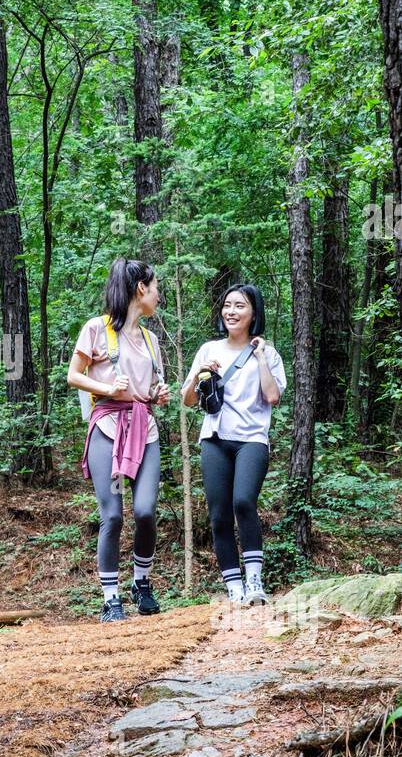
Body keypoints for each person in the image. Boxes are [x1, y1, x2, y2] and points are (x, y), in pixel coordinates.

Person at [67, 258, 170, 622]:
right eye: (156, 287)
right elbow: (74, 376)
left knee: (144, 511)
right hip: (107, 426)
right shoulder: (96, 329)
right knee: (112, 515)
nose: (158, 295)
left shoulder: (151, 339)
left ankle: (141, 582)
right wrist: (108, 387)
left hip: (145, 428)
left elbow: (149, 385)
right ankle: (110, 598)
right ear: (140, 289)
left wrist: (157, 394)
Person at [181, 283, 286, 605]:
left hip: (251, 439)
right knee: (218, 515)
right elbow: (187, 400)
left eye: (240, 306)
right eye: (227, 305)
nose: (231, 312)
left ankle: (254, 581)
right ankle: (234, 586)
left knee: (243, 502)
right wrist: (200, 373)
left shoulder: (268, 354)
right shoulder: (208, 349)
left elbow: (272, 397)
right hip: (214, 439)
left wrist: (260, 357)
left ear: (254, 312)